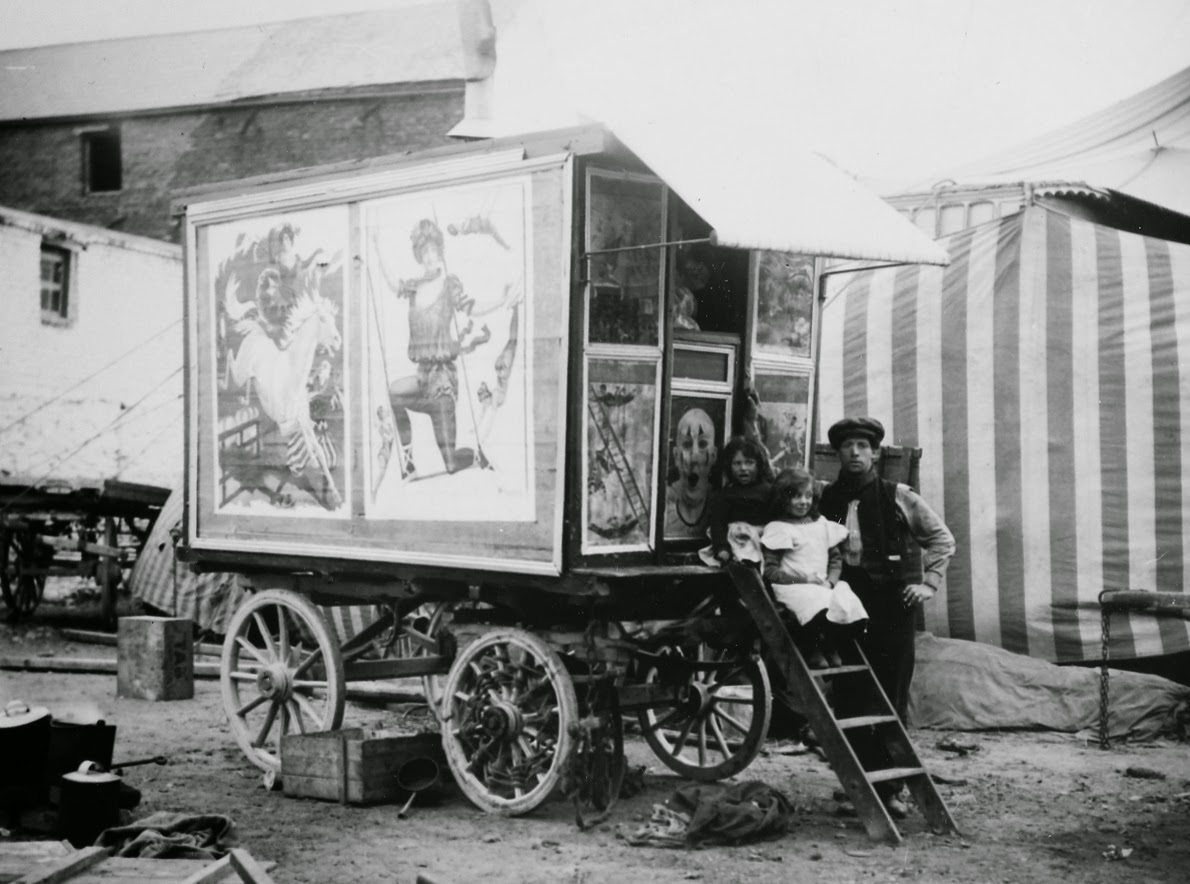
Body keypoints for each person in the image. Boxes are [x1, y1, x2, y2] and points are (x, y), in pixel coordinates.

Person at [818, 416, 955, 818]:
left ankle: (891, 788)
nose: (855, 453)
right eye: (848, 447)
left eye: (863, 446)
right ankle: (861, 782)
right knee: (850, 696)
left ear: (875, 452)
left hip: (891, 609)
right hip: (846, 604)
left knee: (890, 696)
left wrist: (929, 583)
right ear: (838, 454)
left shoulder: (899, 495)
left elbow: (941, 538)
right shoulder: (825, 498)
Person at [374, 218, 478, 476]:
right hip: (422, 378)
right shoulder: (415, 287)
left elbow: (473, 307)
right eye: (425, 252)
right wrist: (377, 248)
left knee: (451, 466)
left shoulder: (449, 285)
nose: (430, 257)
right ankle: (408, 462)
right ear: (419, 255)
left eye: (433, 251)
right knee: (394, 393)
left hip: (442, 383)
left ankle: (472, 454)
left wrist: (505, 302)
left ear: (440, 252)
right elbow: (391, 283)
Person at [762, 468, 868, 669]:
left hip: (821, 585)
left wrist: (831, 582)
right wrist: (802, 580)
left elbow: (835, 560)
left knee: (847, 601)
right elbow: (770, 572)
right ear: (783, 498)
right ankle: (813, 649)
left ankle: (829, 645)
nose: (804, 501)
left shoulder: (821, 524)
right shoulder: (778, 528)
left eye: (808, 496)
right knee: (818, 603)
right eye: (796, 497)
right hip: (793, 586)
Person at [698, 436, 774, 567]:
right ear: (729, 466)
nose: (743, 468)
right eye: (737, 463)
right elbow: (718, 524)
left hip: (762, 542)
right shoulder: (726, 494)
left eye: (749, 463)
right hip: (735, 542)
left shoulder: (769, 491)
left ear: (759, 464)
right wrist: (722, 547)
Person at [664, 406, 719, 540]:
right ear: (676, 456)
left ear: (713, 456)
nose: (694, 457)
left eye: (703, 444)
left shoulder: (721, 504)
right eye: (687, 444)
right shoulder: (663, 504)